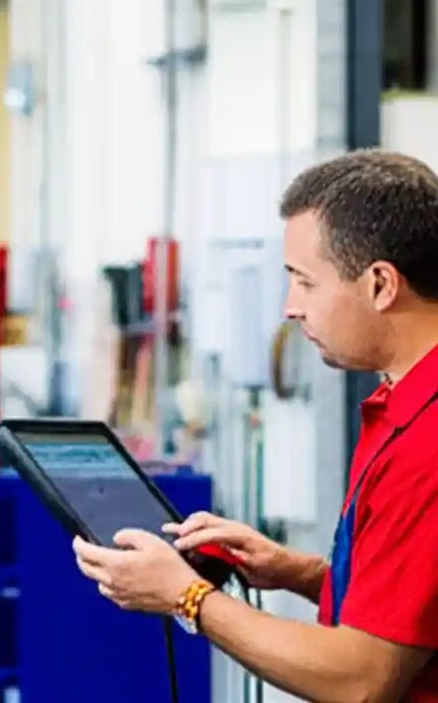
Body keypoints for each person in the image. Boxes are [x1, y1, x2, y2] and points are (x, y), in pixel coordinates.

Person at [73, 149, 438, 702]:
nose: (290, 307)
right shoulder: (401, 406)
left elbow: (360, 680)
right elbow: (414, 608)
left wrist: (188, 596)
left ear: (381, 285)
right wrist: (298, 571)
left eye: (305, 282)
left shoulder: (425, 444)